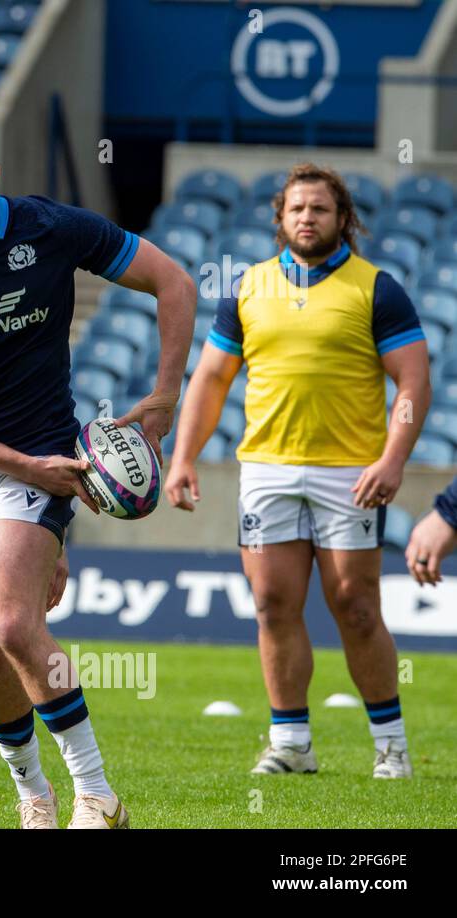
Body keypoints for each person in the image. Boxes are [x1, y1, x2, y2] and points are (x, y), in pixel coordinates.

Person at [0, 113, 195, 827]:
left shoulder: (50, 230)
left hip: (48, 450)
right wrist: (23, 465)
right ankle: (32, 795)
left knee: (19, 624)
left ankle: (96, 792)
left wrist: (166, 396)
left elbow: (174, 283)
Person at [166, 163, 430, 779]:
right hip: (266, 472)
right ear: (280, 219)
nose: (307, 218)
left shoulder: (377, 288)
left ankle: (390, 745)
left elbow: (413, 381)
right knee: (272, 604)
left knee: (356, 606)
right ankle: (290, 744)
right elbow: (209, 380)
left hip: (351, 475)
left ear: (343, 219)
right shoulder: (249, 287)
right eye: (297, 209)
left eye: (320, 209)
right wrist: (181, 457)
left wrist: (393, 458)